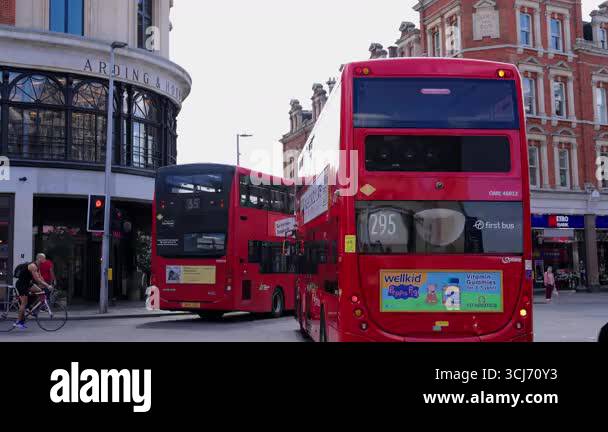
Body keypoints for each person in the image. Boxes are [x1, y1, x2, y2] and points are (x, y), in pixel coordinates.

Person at [14, 254, 53, 330]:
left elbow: (40, 277)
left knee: (40, 291)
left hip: (28, 284)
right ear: (39, 258)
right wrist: (47, 286)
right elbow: (37, 279)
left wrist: (45, 285)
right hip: (22, 285)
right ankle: (18, 322)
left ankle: (30, 306)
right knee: (23, 303)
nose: (45, 260)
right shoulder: (33, 266)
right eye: (43, 259)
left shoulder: (37, 266)